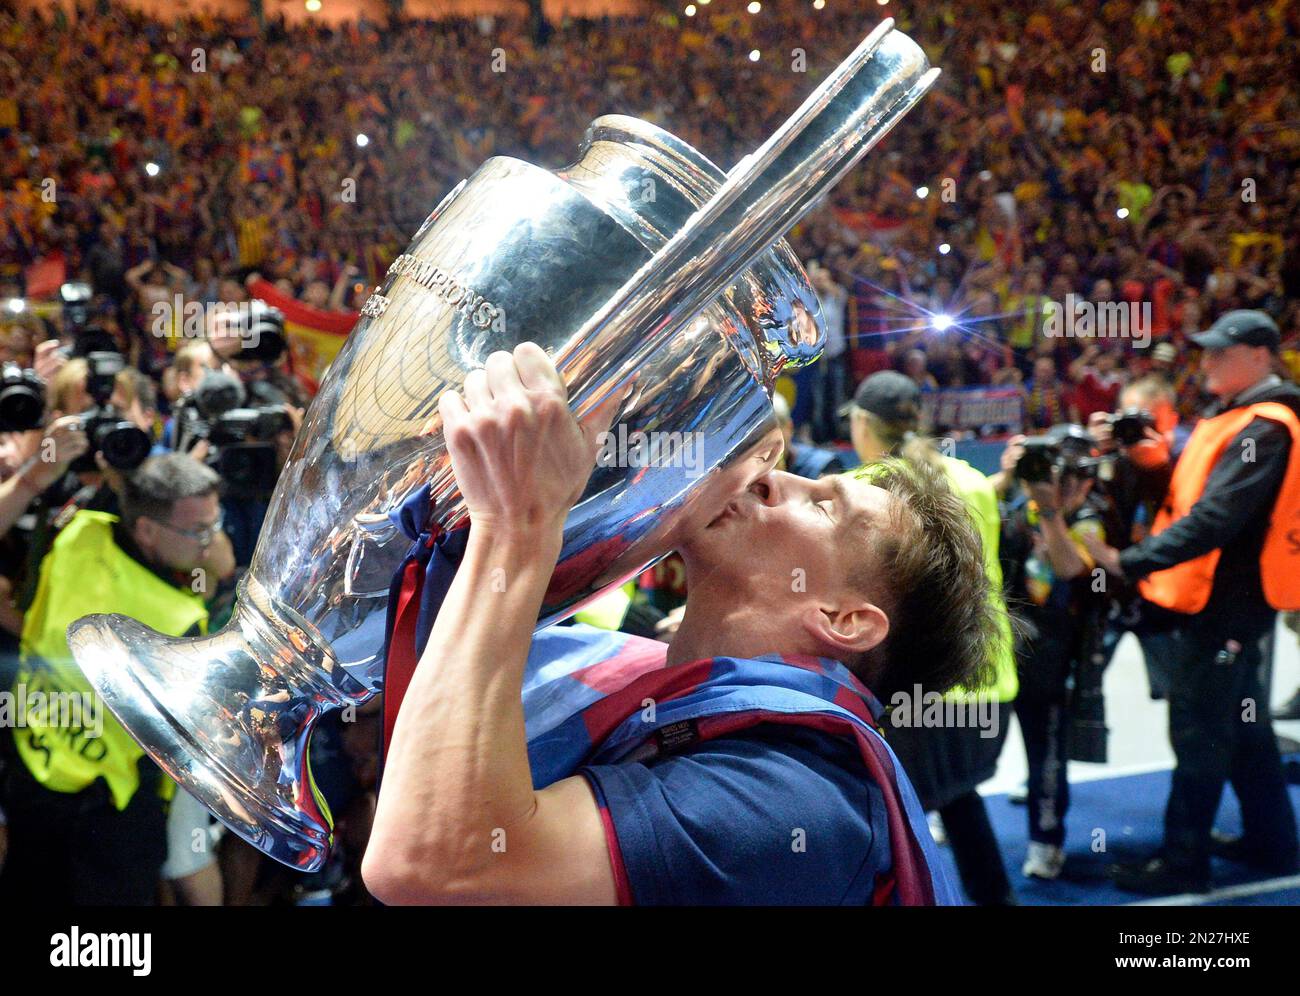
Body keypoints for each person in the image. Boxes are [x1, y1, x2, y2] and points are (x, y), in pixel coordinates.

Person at [363, 343, 996, 905]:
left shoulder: (798, 799)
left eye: (826, 506)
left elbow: (435, 865)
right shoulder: (635, 674)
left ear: (844, 620)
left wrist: (516, 525)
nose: (776, 481)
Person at [1085, 310, 1300, 893]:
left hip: (1224, 605)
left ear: (1261, 354)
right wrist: (1155, 469)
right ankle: (1275, 844)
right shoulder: (1232, 417)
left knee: (1199, 732)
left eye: (1220, 353)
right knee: (1245, 729)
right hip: (1219, 603)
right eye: (1203, 352)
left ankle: (1183, 865)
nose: (1205, 362)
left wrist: (1127, 563)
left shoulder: (1266, 426)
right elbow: (1192, 501)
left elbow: (1214, 519)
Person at [0, 454, 233, 904]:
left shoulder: (79, 529)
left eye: (214, 524)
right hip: (109, 806)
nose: (208, 542)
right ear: (146, 529)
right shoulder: (179, 619)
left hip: (30, 754)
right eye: (196, 530)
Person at [843, 370, 1018, 905]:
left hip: (920, 690)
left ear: (866, 424)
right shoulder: (970, 479)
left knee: (887, 824)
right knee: (958, 801)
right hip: (986, 682)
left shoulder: (869, 490)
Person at [998, 425, 1117, 880]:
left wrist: (1051, 514)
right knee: (966, 734)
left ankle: (1046, 840)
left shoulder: (1090, 515)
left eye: (1072, 476)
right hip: (1002, 643)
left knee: (1046, 749)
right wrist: (1009, 479)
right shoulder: (1015, 504)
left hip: (1053, 653)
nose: (1063, 484)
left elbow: (1071, 569)